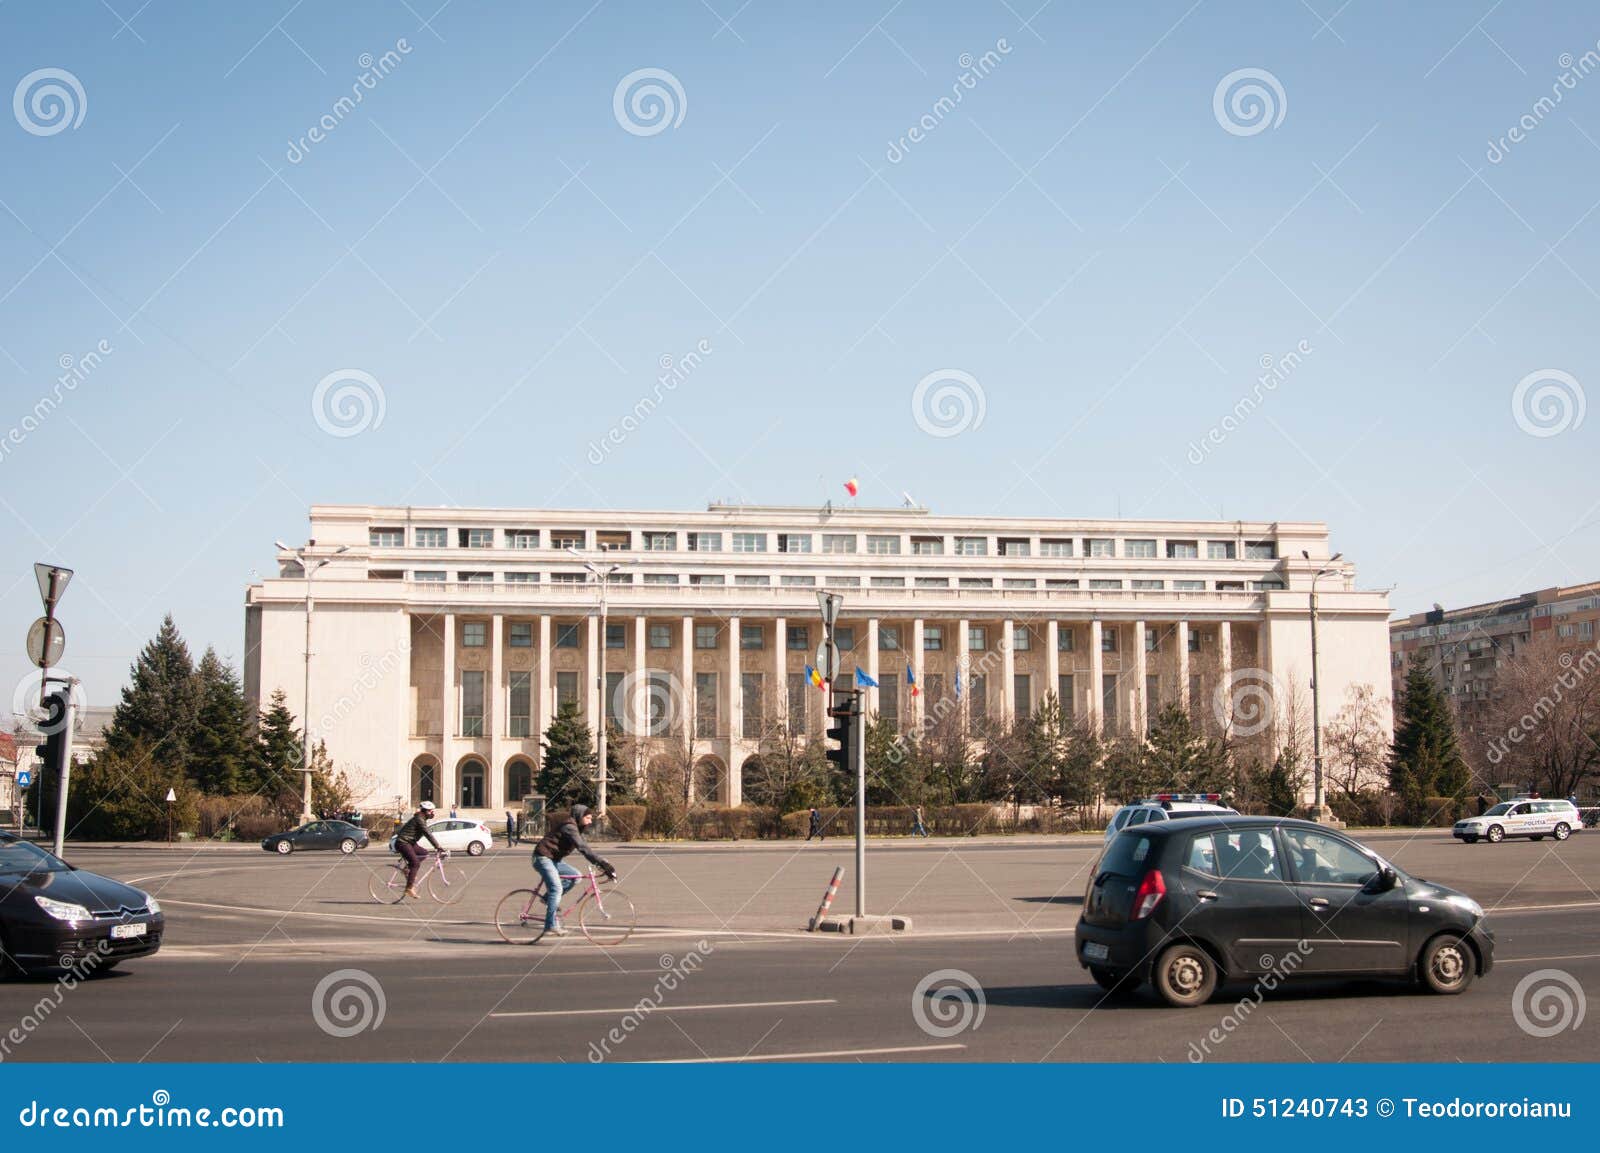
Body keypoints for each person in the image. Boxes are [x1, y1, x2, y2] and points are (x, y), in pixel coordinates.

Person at [532, 803, 616, 936]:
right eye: (588, 817)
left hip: (553, 860)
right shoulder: (569, 827)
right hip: (542, 858)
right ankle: (550, 925)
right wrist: (603, 864)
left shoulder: (576, 827)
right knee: (557, 889)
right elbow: (582, 848)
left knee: (576, 876)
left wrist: (603, 863)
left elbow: (586, 847)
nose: (590, 820)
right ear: (579, 816)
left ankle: (548, 899)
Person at [393, 801, 445, 899]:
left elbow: (426, 833)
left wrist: (437, 846)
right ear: (425, 811)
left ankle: (407, 869)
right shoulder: (419, 819)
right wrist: (437, 846)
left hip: (410, 842)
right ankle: (409, 888)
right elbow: (427, 833)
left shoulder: (422, 818)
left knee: (424, 853)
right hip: (403, 843)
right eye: (430, 811)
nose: (432, 813)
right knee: (415, 863)